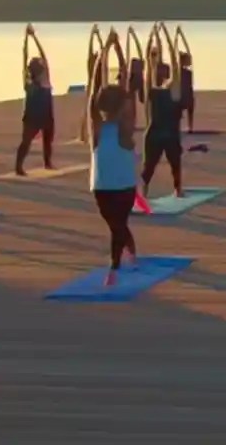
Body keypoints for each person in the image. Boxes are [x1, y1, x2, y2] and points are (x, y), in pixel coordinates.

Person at [87, 29, 139, 288]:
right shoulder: (96, 131)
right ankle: (129, 247)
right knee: (116, 225)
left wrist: (114, 49)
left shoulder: (125, 130)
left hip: (124, 187)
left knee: (117, 225)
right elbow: (91, 99)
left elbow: (127, 92)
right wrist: (103, 54)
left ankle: (114, 266)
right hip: (102, 188)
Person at [142, 24, 185, 199]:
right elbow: (150, 68)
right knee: (153, 165)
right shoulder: (159, 91)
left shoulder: (162, 91)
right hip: (161, 134)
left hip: (160, 134)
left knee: (169, 164)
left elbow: (171, 67)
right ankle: (174, 190)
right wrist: (159, 38)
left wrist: (160, 37)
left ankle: (177, 189)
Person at [14, 24, 54, 176]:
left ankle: (47, 162)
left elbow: (43, 58)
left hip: (44, 116)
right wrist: (30, 38)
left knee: (47, 139)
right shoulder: (33, 82)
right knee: (26, 142)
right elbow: (29, 59)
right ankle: (19, 166)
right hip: (32, 118)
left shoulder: (43, 80)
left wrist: (31, 37)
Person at [175, 26, 196, 132]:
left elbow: (188, 51)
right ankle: (181, 127)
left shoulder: (189, 69)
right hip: (181, 94)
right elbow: (174, 51)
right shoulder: (178, 69)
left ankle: (190, 127)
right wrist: (177, 37)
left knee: (190, 110)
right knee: (177, 112)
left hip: (188, 93)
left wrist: (180, 34)